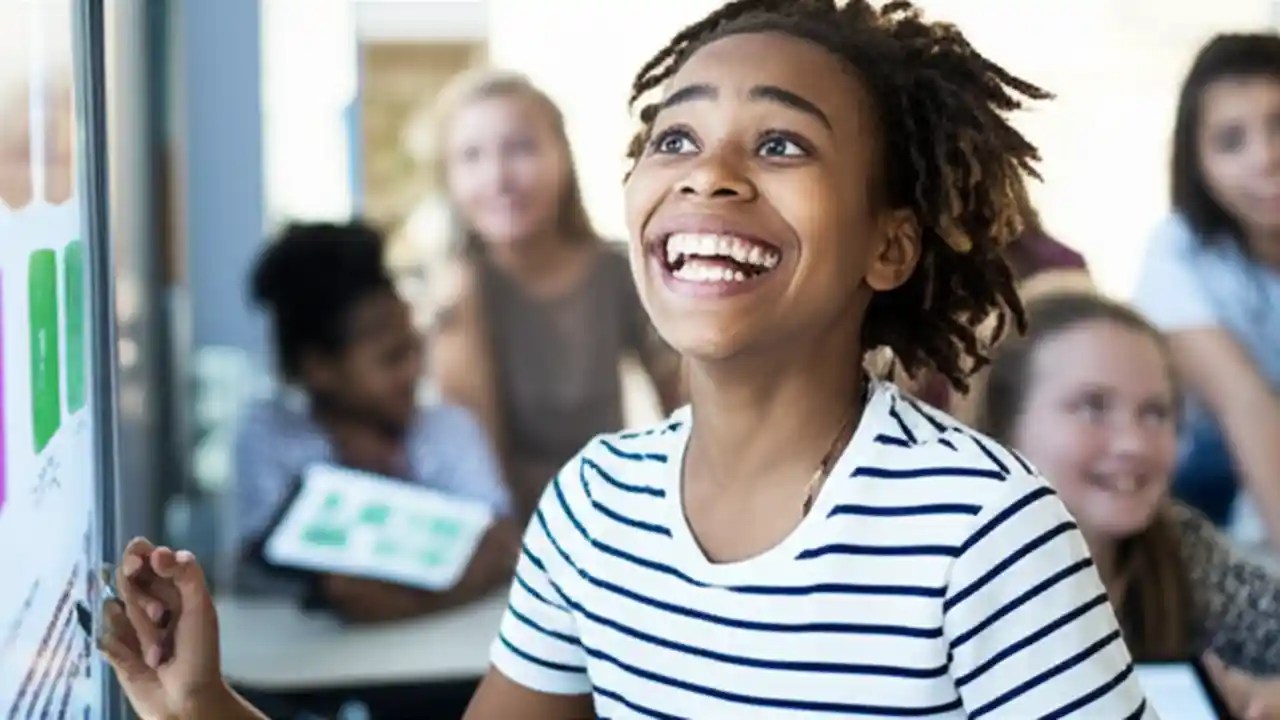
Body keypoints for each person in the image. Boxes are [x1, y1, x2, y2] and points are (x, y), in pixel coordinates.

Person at [101, 2, 1153, 717]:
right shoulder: (593, 506)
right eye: (673, 139)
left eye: (780, 145)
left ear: (888, 244)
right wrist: (202, 706)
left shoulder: (985, 531)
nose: (709, 177)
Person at [979, 291, 1280, 718]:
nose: (1133, 444)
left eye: (1155, 413)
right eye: (1091, 407)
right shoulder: (938, 573)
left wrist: (1262, 697)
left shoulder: (1182, 549)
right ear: (1005, 424)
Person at [423, 69, 683, 520]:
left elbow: (687, 412)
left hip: (609, 511)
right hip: (508, 530)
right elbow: (481, 478)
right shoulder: (457, 292)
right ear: (448, 179)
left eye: (520, 148)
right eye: (470, 157)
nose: (498, 177)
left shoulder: (619, 269)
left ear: (562, 155)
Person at [230, 221, 519, 622]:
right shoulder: (270, 435)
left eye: (415, 348)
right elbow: (259, 572)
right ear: (318, 368)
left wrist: (405, 606)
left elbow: (499, 545)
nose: (415, 371)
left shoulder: (447, 430)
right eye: (392, 358)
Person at [1130, 33, 1280, 544]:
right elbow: (1246, 406)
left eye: (1279, 126)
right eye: (1231, 141)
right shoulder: (1177, 253)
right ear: (1197, 164)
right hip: (1208, 480)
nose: (1265, 158)